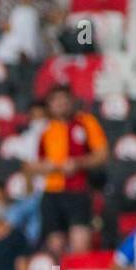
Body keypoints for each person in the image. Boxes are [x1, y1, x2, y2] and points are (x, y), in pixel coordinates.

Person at [31, 86, 107, 254]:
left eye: (64, 99)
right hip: (52, 192)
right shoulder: (45, 129)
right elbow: (33, 164)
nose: (61, 103)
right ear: (49, 105)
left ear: (72, 100)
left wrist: (78, 163)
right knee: (55, 246)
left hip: (78, 191)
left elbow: (102, 155)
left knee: (80, 244)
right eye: (56, 100)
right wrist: (48, 167)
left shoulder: (86, 122)